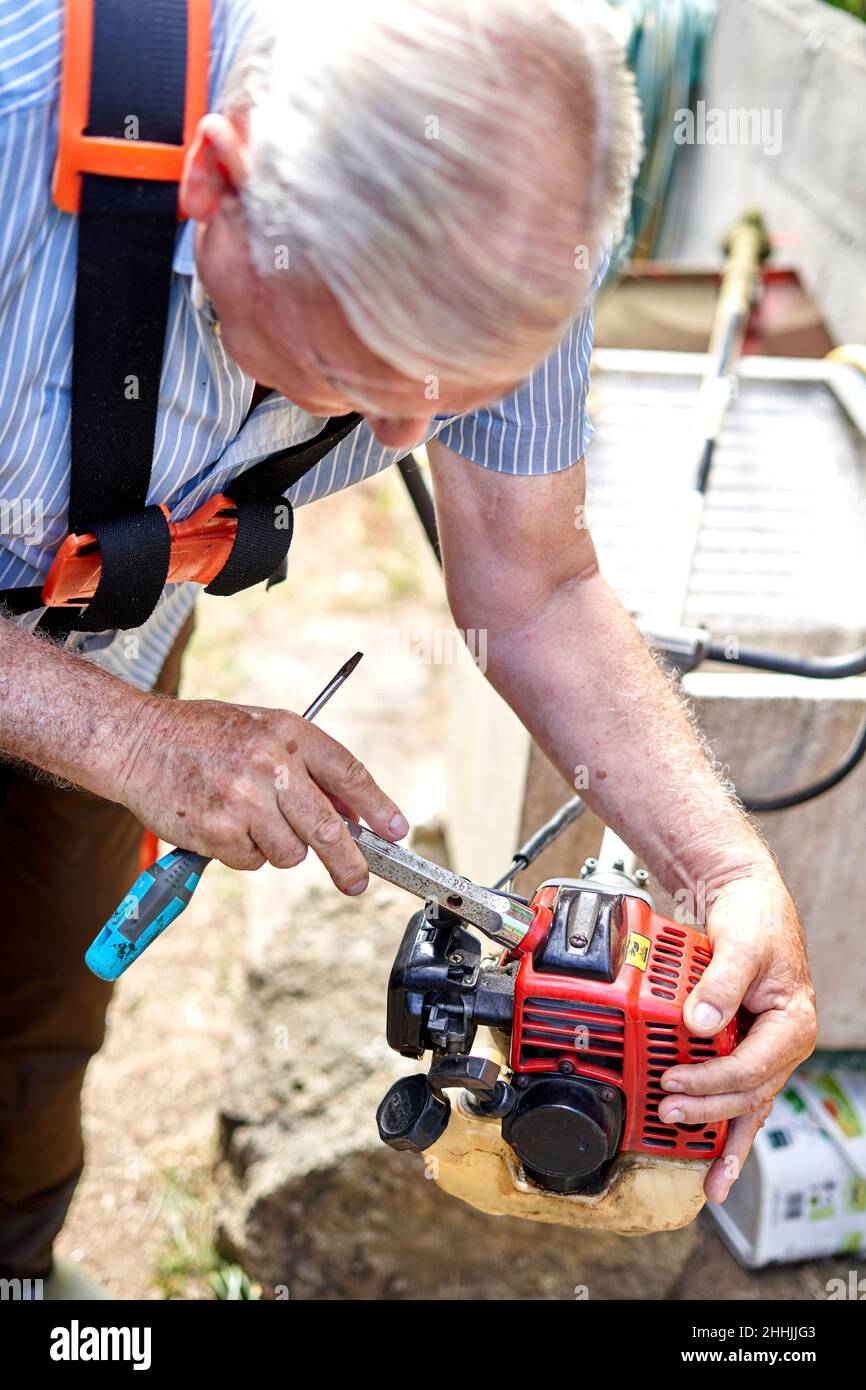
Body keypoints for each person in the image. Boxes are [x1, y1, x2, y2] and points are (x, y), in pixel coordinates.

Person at [0, 0, 815, 1294]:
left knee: (37, 988)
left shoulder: (519, 196)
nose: (399, 438)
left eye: (460, 391)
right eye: (359, 369)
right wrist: (133, 738)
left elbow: (530, 580)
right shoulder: (11, 115)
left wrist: (723, 875)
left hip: (99, 613)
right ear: (217, 179)